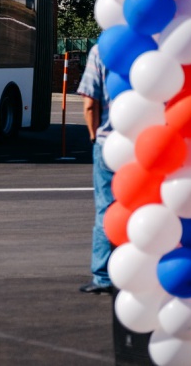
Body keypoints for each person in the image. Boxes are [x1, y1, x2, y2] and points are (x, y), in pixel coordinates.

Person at [76, 44, 114, 295]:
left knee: (106, 209)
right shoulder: (157, 46)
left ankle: (102, 276)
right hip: (150, 146)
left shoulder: (102, 50)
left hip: (109, 143)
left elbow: (90, 102)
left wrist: (92, 135)